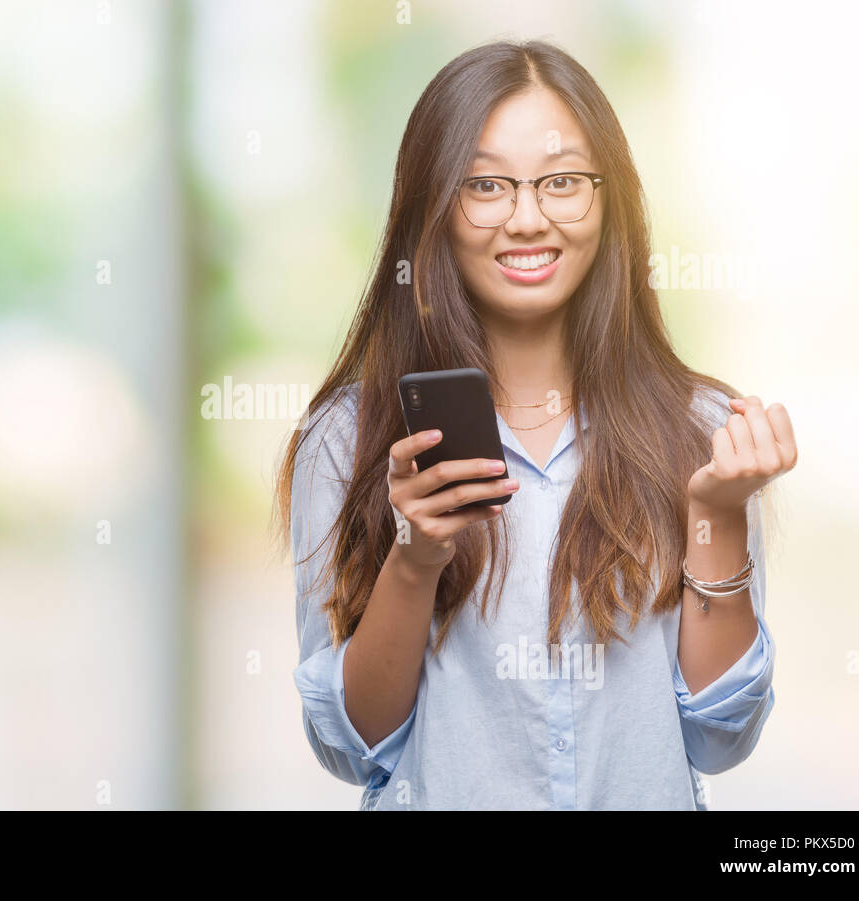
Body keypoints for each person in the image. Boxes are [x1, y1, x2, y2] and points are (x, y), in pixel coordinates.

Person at [274, 39, 798, 810]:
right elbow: (354, 747)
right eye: (485, 184)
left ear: (609, 197)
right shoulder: (348, 440)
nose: (527, 218)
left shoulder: (701, 430)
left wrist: (715, 514)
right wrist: (415, 559)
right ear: (434, 206)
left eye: (561, 182)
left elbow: (719, 738)